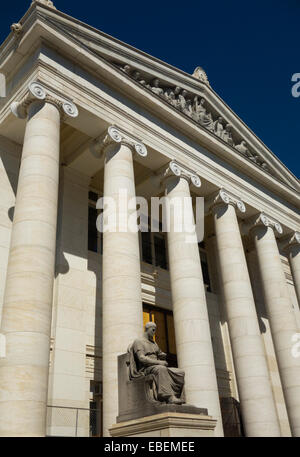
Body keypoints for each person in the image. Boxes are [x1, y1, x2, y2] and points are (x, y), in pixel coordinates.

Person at [128, 322, 185, 404]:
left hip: (155, 367)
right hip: (145, 369)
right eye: (153, 330)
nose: (154, 332)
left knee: (180, 372)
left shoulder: (154, 343)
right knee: (160, 369)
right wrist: (159, 362)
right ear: (147, 329)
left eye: (155, 330)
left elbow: (159, 353)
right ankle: (168, 396)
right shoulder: (139, 341)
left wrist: (162, 355)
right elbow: (141, 358)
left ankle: (178, 397)